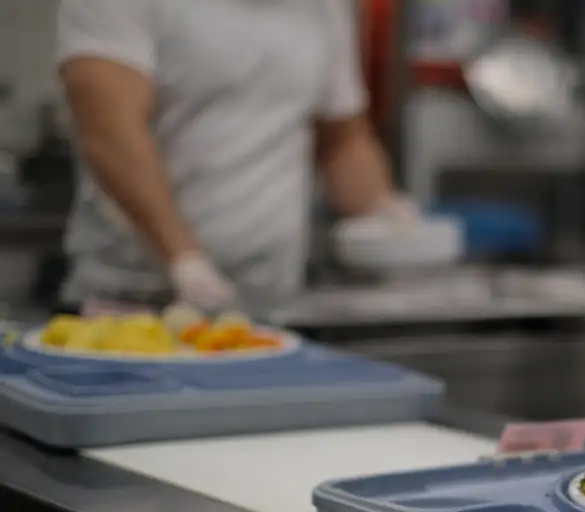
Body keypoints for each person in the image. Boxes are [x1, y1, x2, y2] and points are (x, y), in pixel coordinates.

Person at [56, 0, 416, 312]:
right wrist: (185, 261)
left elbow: (343, 141)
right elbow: (110, 131)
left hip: (269, 301)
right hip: (134, 300)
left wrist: (386, 213)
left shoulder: (322, 7)